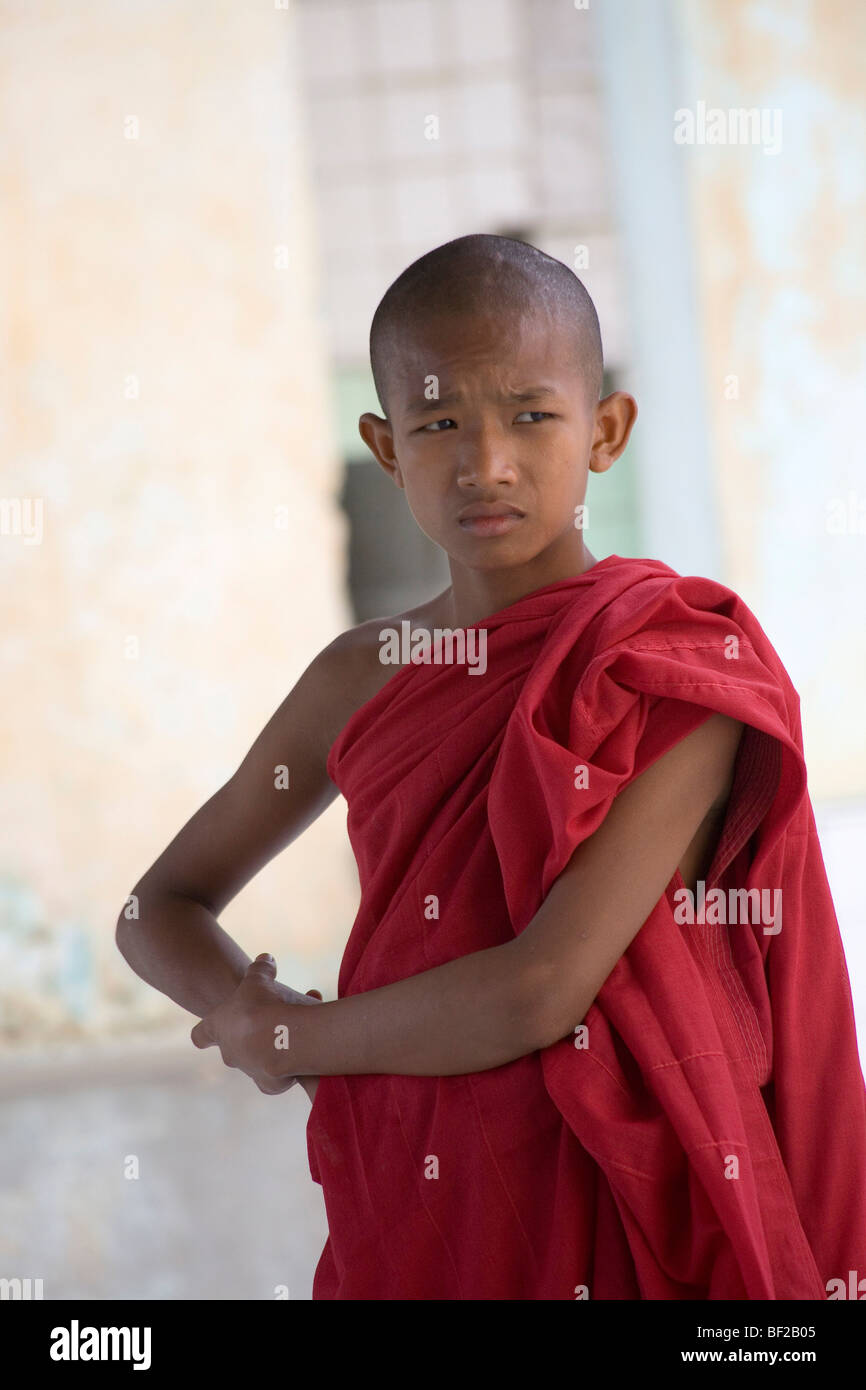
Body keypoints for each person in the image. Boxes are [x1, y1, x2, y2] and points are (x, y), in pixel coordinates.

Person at [116, 234, 866, 1300]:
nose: (485, 462)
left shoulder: (668, 662)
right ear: (383, 447)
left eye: (528, 414)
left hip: (615, 1187)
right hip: (410, 1176)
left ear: (603, 430)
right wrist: (246, 1004)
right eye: (437, 422)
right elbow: (159, 906)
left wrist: (295, 1034)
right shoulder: (359, 676)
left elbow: (539, 987)